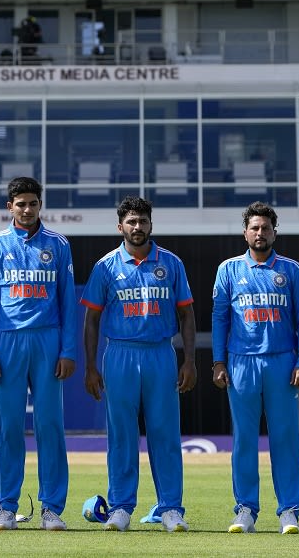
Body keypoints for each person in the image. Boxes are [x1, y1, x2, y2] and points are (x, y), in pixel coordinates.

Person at [81, 196, 196, 533]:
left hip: (160, 353)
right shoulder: (105, 266)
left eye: (142, 221)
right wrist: (90, 366)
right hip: (119, 354)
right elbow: (91, 320)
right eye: (130, 222)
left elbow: (186, 314)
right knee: (121, 436)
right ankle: (120, 507)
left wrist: (189, 360)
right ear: (120, 227)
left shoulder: (171, 263)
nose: (137, 227)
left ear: (150, 224)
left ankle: (171, 508)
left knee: (165, 434)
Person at [0, 177, 78, 532]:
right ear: (10, 207)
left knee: (50, 425)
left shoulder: (57, 244)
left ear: (40, 205)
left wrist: (68, 350)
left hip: (48, 342)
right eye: (20, 203)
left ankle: (51, 508)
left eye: (32, 203)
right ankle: (6, 507)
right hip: (7, 343)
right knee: (9, 429)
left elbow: (68, 301)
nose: (26, 209)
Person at [212, 202, 299, 534]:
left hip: (282, 362)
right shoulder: (228, 269)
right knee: (244, 441)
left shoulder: (292, 270)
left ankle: (289, 511)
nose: (260, 233)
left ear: (274, 231)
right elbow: (220, 320)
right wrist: (219, 362)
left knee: (285, 439)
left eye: (265, 227)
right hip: (241, 363)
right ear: (245, 232)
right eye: (254, 227)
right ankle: (245, 509)